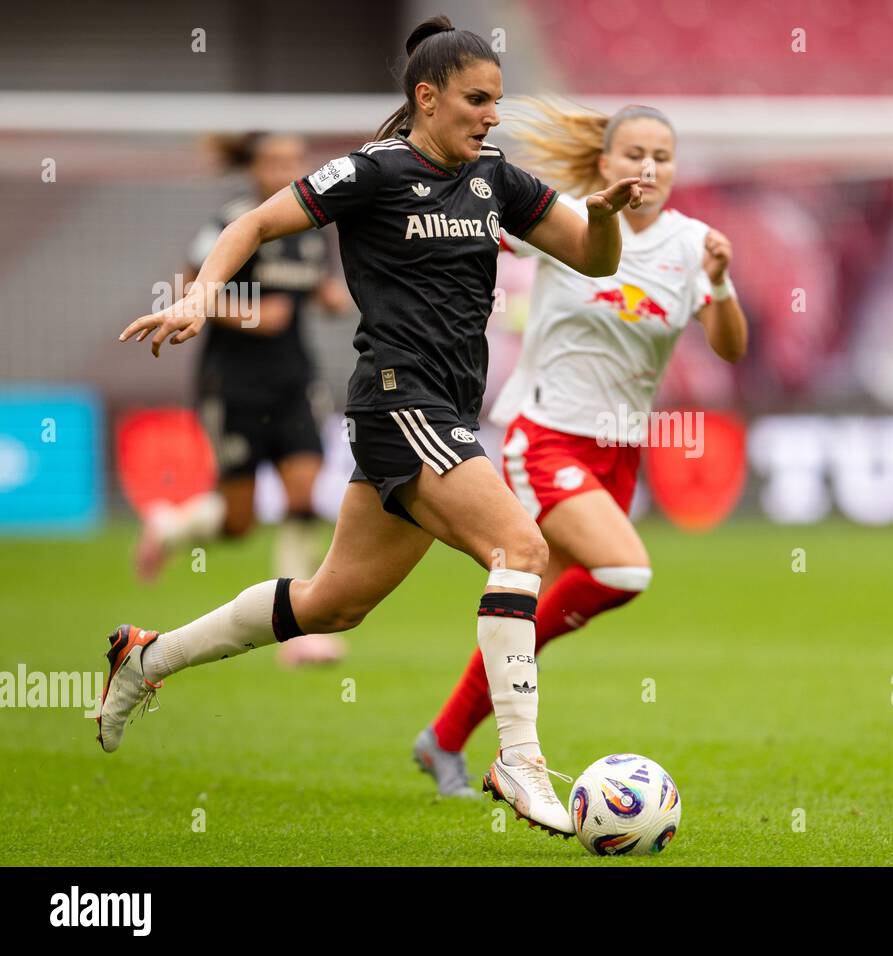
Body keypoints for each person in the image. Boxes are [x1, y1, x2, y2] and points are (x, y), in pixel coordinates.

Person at [101, 14, 644, 837]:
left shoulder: (497, 179)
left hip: (444, 412)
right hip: (401, 402)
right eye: (476, 100)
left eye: (497, 101)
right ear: (427, 99)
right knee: (522, 550)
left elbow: (597, 258)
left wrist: (602, 213)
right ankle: (521, 760)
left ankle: (147, 656)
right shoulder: (372, 171)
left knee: (331, 605)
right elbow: (253, 224)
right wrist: (202, 293)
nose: (492, 116)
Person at [413, 99, 748, 797]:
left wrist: (718, 284)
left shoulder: (693, 246)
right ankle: (501, 753)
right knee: (625, 571)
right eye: (634, 154)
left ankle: (443, 740)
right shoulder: (567, 219)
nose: (648, 167)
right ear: (605, 163)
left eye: (662, 156)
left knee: (527, 614)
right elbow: (472, 228)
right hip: (544, 436)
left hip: (618, 452)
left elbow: (731, 347)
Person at [134, 131, 352, 667]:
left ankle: (297, 634)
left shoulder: (310, 226)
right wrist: (250, 315)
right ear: (252, 168)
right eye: (273, 160)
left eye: (292, 159)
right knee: (239, 522)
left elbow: (317, 288)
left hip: (294, 380)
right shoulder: (233, 222)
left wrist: (330, 298)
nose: (284, 168)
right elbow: (189, 289)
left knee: (304, 493)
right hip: (232, 383)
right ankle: (169, 524)